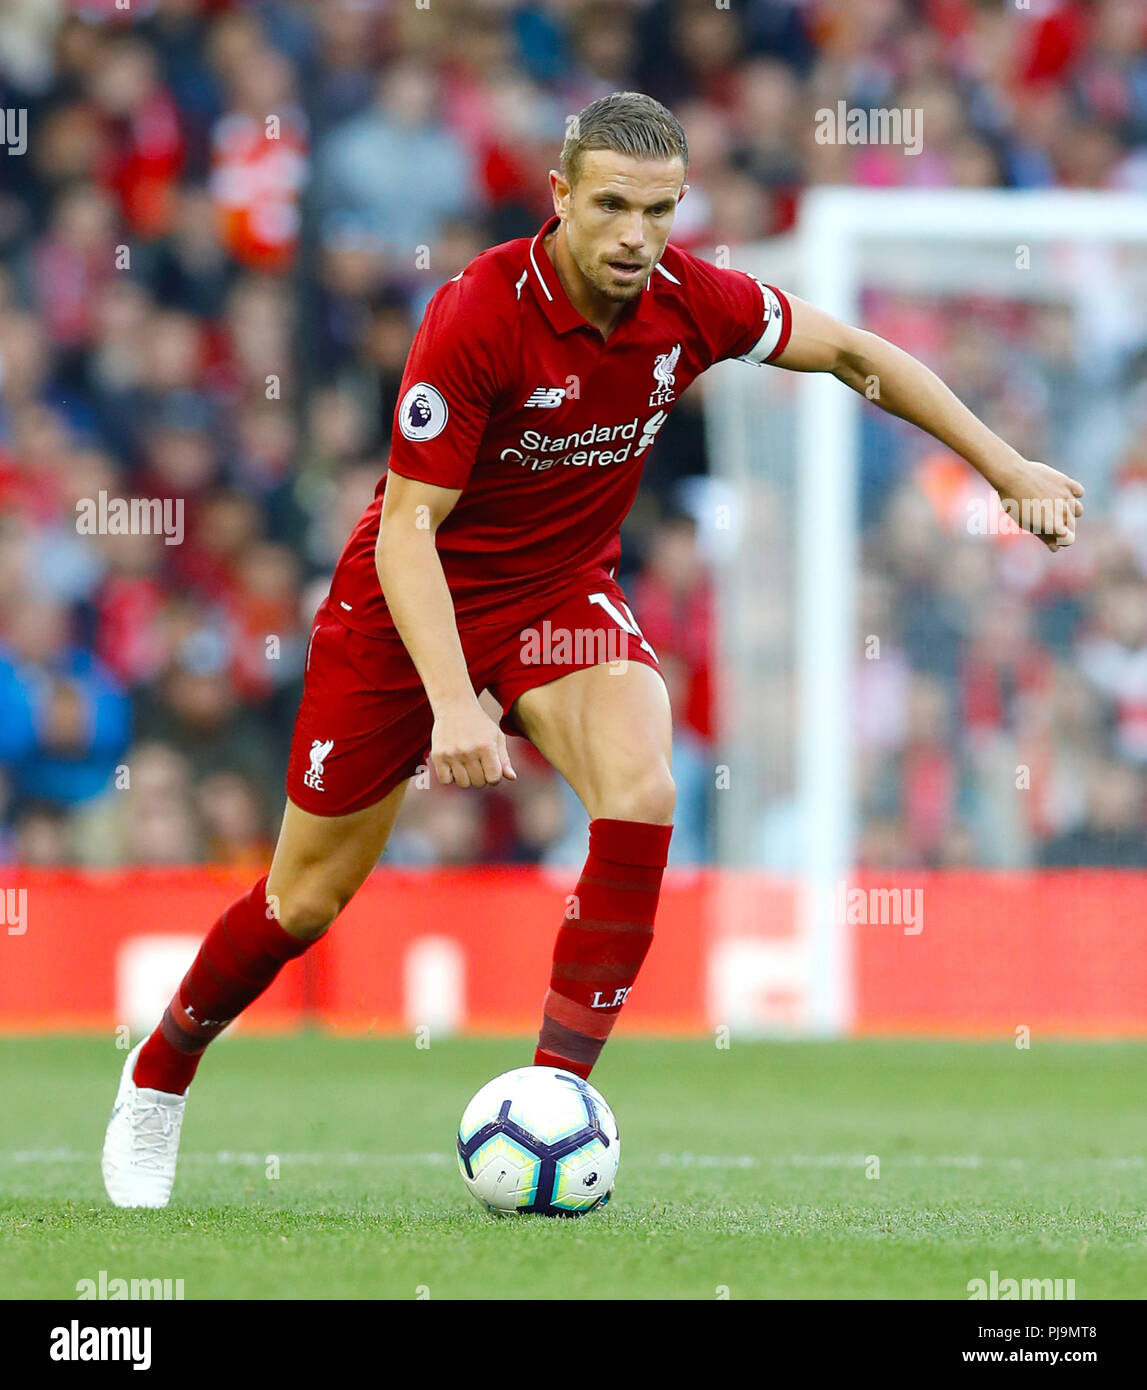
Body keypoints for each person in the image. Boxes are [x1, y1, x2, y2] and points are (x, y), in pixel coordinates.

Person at [102, 91, 1084, 1208]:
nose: (635, 235)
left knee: (644, 788)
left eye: (659, 210)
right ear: (560, 196)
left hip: (559, 599)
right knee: (303, 903)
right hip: (406, 606)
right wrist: (453, 705)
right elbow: (409, 532)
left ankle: (555, 1096)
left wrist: (1007, 470)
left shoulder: (689, 301)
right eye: (612, 205)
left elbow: (854, 353)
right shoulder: (476, 313)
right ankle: (158, 1073)